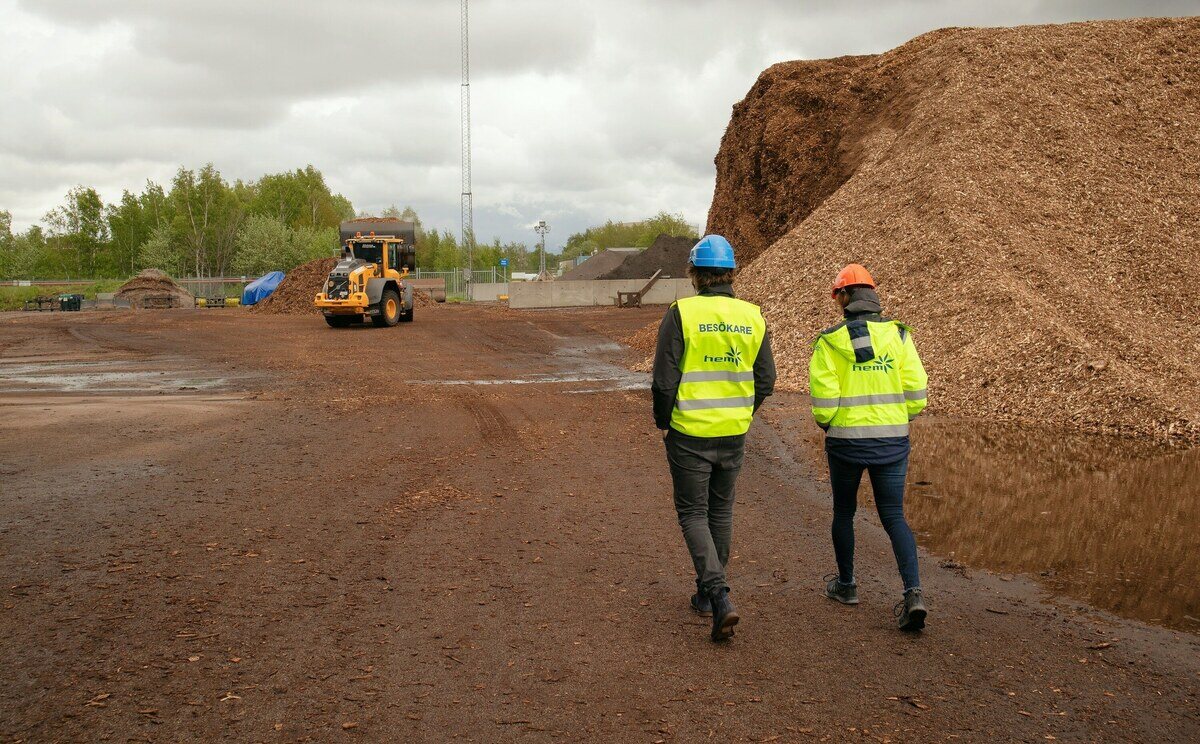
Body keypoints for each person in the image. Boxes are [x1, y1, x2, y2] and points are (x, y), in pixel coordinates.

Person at [652, 235, 776, 642]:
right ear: (730, 272)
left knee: (693, 513)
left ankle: (718, 595)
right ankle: (707, 596)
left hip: (689, 432)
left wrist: (664, 422)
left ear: (694, 273)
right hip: (733, 432)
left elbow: (664, 381)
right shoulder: (753, 316)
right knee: (720, 512)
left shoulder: (682, 314)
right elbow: (766, 379)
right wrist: (743, 413)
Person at [809, 263, 929, 631]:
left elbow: (823, 406)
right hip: (892, 443)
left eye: (837, 296)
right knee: (893, 516)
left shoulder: (830, 341)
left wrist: (833, 426)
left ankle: (846, 586)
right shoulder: (900, 336)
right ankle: (913, 594)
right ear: (872, 295)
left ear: (845, 297)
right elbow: (917, 394)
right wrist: (896, 418)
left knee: (844, 512)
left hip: (845, 445)